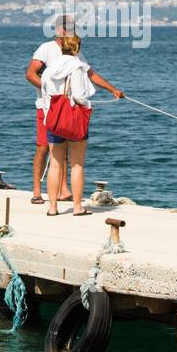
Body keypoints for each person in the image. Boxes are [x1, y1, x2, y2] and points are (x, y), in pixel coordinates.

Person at [39, 35, 123, 216]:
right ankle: (77, 207)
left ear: (61, 48)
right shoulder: (77, 67)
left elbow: (45, 95)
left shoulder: (49, 69)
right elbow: (78, 96)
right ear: (76, 49)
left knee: (55, 164)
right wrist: (86, 105)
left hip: (53, 120)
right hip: (73, 120)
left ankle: (52, 207)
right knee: (77, 165)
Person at [25, 15, 75, 204]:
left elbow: (88, 73)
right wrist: (47, 90)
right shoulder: (46, 49)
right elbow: (29, 74)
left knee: (63, 148)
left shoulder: (74, 50)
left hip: (65, 107)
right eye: (67, 27)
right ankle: (37, 191)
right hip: (45, 107)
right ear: (58, 30)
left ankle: (63, 190)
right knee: (43, 147)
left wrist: (112, 89)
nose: (71, 30)